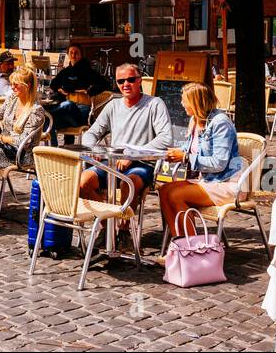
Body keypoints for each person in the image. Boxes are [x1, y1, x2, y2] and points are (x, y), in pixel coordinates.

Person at [158, 82, 244, 238]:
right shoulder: (195, 120)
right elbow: (190, 147)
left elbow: (219, 162)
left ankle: (192, 248)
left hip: (227, 183)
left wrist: (185, 158)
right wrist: (171, 153)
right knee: (164, 190)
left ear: (196, 102)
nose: (182, 104)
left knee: (176, 195)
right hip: (208, 180)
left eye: (185, 100)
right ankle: (179, 243)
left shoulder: (220, 123)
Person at [80, 63, 172, 204]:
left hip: (142, 164)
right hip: (112, 163)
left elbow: (166, 139)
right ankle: (106, 224)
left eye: (131, 80)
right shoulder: (113, 105)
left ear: (140, 80)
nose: (126, 84)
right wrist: (94, 149)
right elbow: (90, 133)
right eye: (121, 81)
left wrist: (132, 154)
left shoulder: (154, 104)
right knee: (82, 182)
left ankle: (124, 226)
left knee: (128, 184)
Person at [49, 43, 111, 133]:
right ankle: (56, 146)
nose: (73, 55)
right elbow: (53, 85)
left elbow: (105, 84)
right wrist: (60, 90)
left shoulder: (87, 71)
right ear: (68, 55)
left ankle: (46, 113)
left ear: (81, 55)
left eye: (76, 53)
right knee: (50, 123)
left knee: (67, 105)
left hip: (82, 112)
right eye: (71, 53)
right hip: (67, 112)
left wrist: (89, 91)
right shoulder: (65, 71)